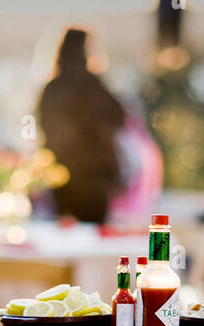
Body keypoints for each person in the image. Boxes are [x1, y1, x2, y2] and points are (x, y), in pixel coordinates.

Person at [37, 28, 126, 224]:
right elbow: (120, 118)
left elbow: (44, 129)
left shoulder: (52, 88)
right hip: (96, 179)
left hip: (62, 178)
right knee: (94, 237)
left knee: (64, 235)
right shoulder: (95, 86)